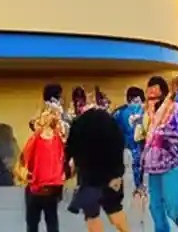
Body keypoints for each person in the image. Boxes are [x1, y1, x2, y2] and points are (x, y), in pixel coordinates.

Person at [136, 75, 178, 232]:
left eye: (155, 96)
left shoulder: (177, 109)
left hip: (173, 164)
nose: (152, 101)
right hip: (153, 166)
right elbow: (140, 139)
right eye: (149, 96)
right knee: (155, 208)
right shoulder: (145, 114)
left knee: (173, 209)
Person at [66, 88, 130, 232]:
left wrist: (68, 169)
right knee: (115, 212)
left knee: (91, 215)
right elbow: (119, 145)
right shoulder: (109, 121)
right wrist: (118, 174)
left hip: (89, 178)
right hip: (111, 175)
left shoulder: (78, 123)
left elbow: (70, 149)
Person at [22, 104, 66, 232]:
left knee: (41, 222)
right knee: (46, 221)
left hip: (44, 187)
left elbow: (27, 159)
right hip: (43, 187)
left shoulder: (56, 139)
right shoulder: (50, 139)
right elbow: (27, 159)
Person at [113, 87, 146, 189]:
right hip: (137, 146)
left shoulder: (118, 112)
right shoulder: (142, 111)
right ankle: (138, 186)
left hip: (121, 148)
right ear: (136, 98)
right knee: (137, 168)